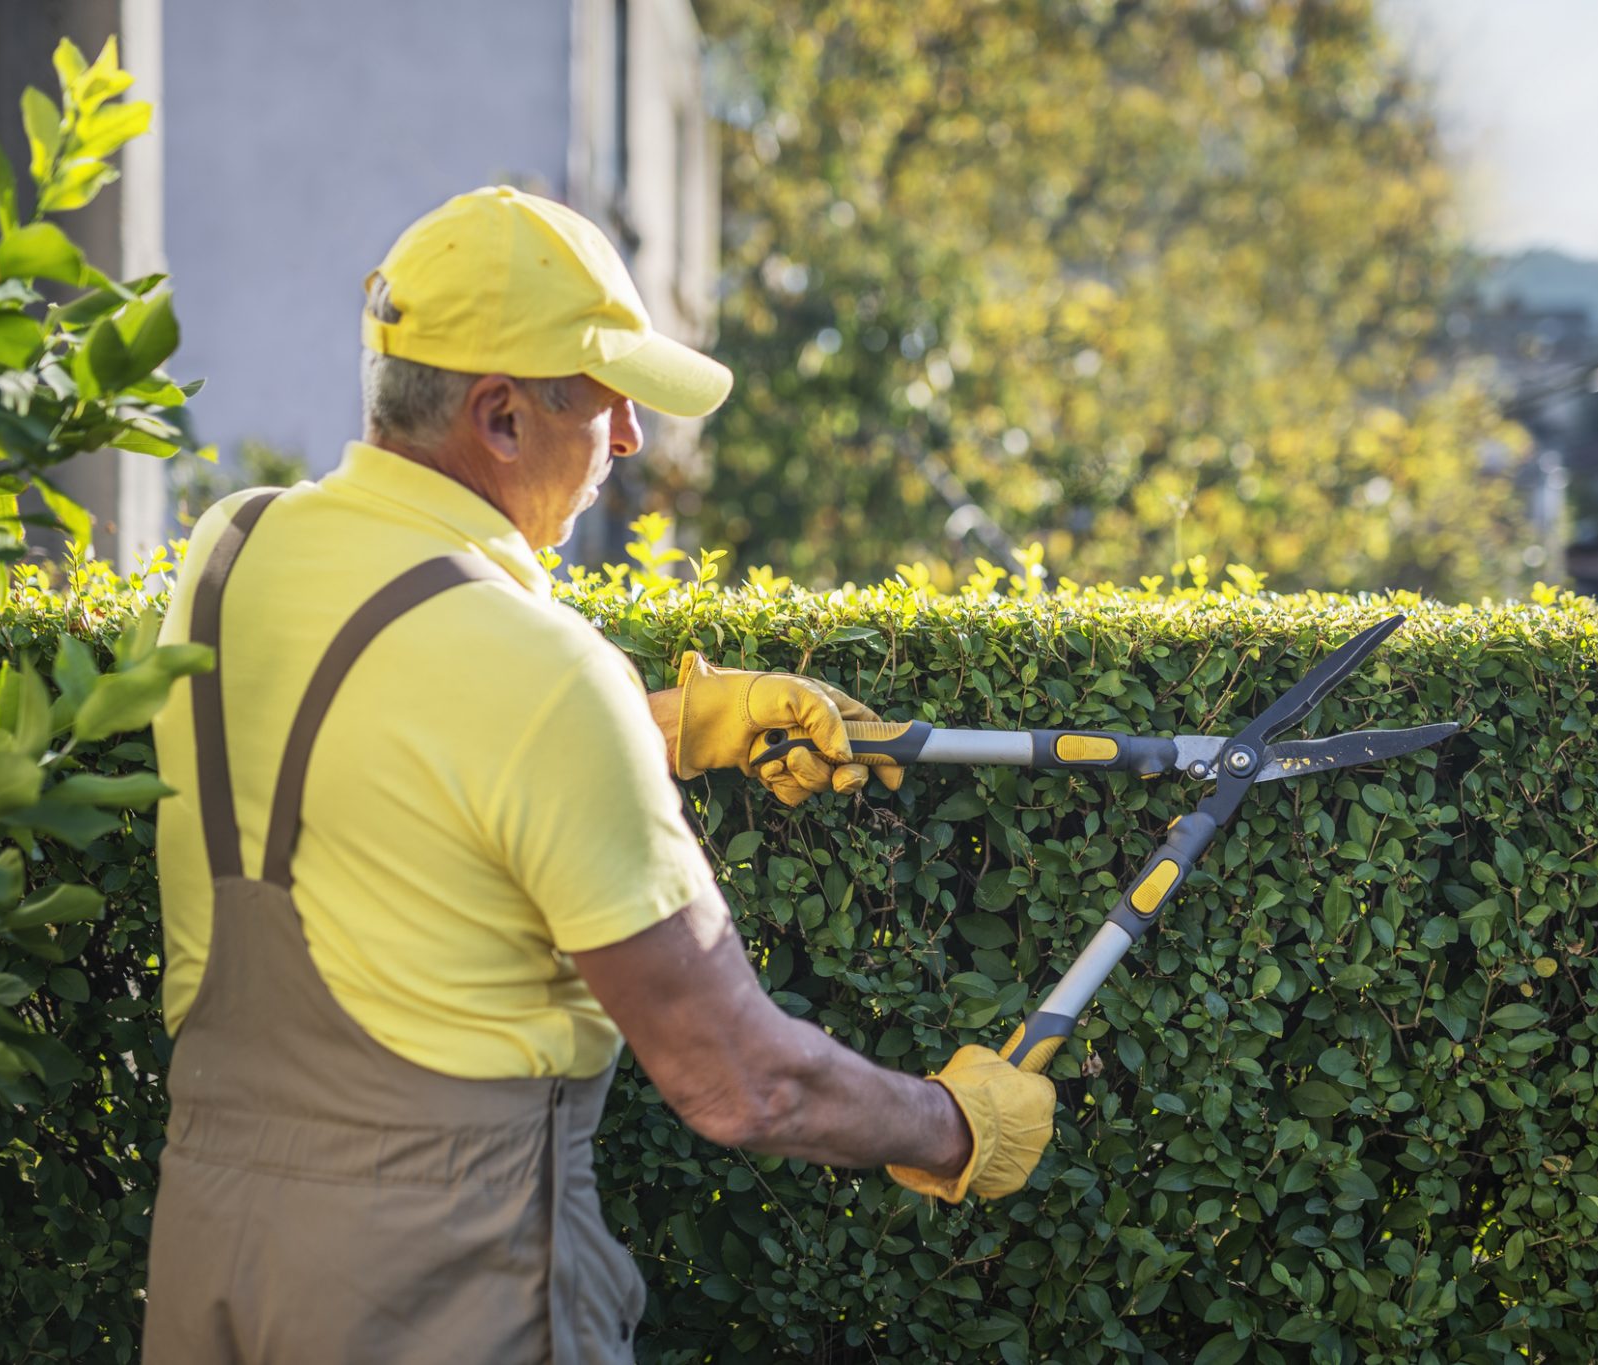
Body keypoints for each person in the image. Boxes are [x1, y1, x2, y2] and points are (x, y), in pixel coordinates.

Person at [141, 185, 1058, 1364]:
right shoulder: (541, 675)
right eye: (606, 401)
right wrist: (950, 1127)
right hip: (437, 1285)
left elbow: (388, 746)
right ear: (501, 417)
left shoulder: (233, 550)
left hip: (216, 1250)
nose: (627, 439)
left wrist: (662, 724)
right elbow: (739, 1082)